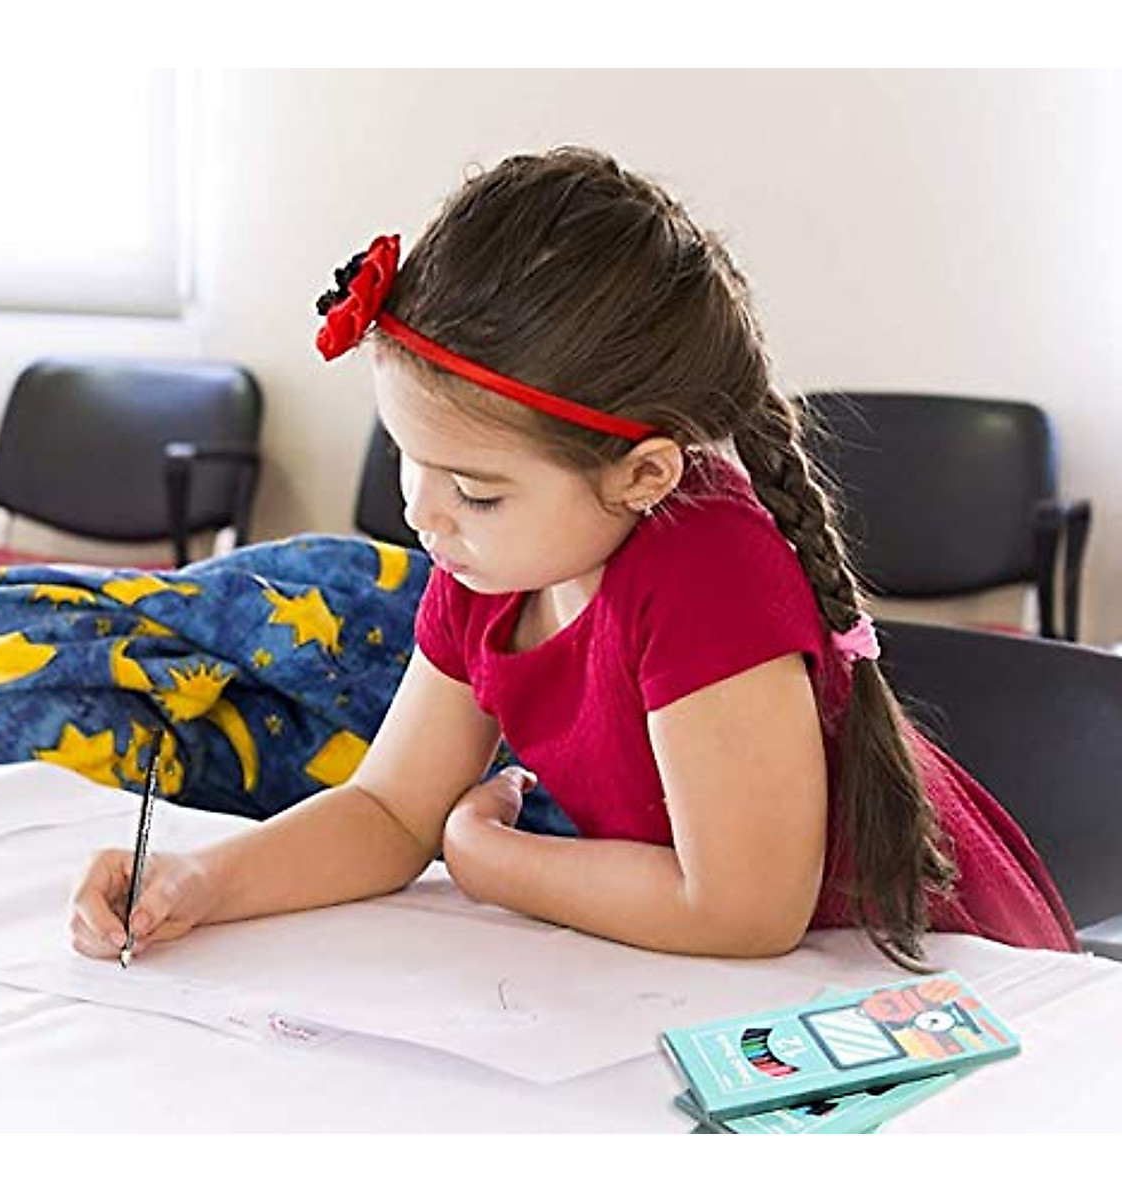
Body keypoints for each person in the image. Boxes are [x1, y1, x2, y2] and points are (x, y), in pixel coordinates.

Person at [69, 146, 1077, 969]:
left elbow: (743, 910)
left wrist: (484, 857)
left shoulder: (708, 571)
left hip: (917, 976)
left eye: (476, 489)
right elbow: (388, 809)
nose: (422, 513)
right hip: (719, 977)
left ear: (643, 475)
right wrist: (201, 881)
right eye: (411, 459)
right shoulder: (488, 565)